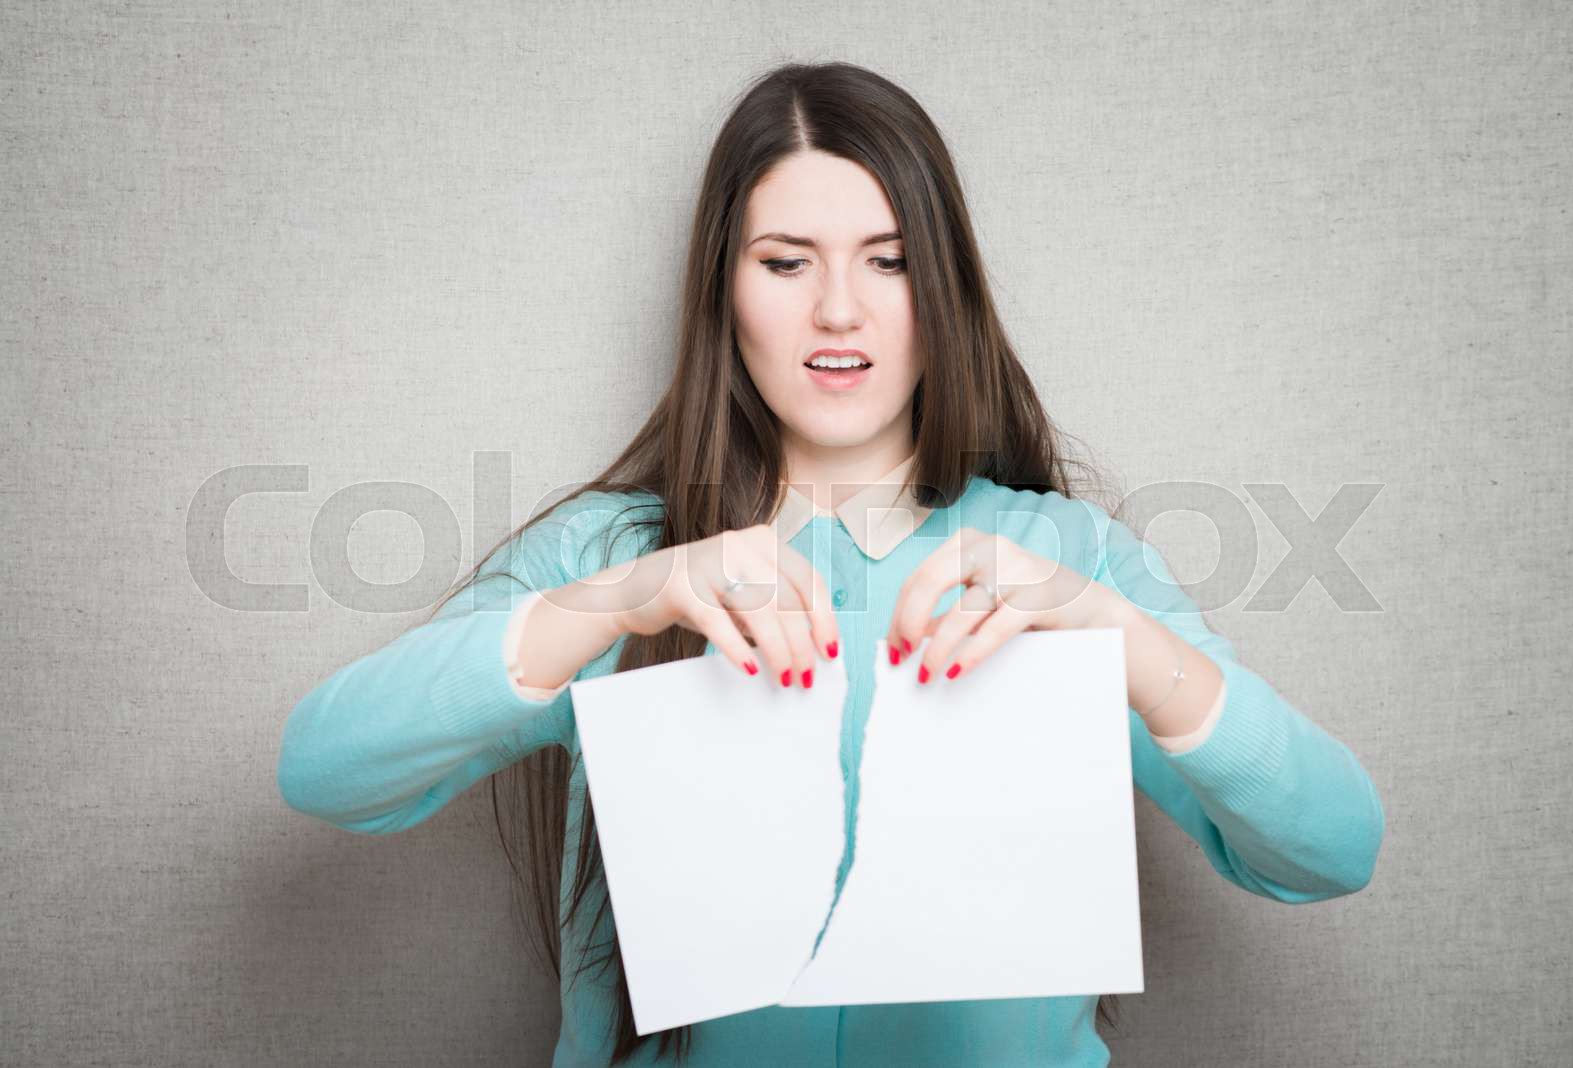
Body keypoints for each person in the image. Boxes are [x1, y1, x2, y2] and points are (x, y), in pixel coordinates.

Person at [277, 60, 1384, 1067]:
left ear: (941, 289)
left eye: (889, 261)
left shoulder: (1063, 559)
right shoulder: (615, 553)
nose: (839, 309)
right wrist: (627, 597)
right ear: (725, 290)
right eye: (785, 262)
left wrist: (1122, 640)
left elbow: (1329, 849)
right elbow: (328, 769)